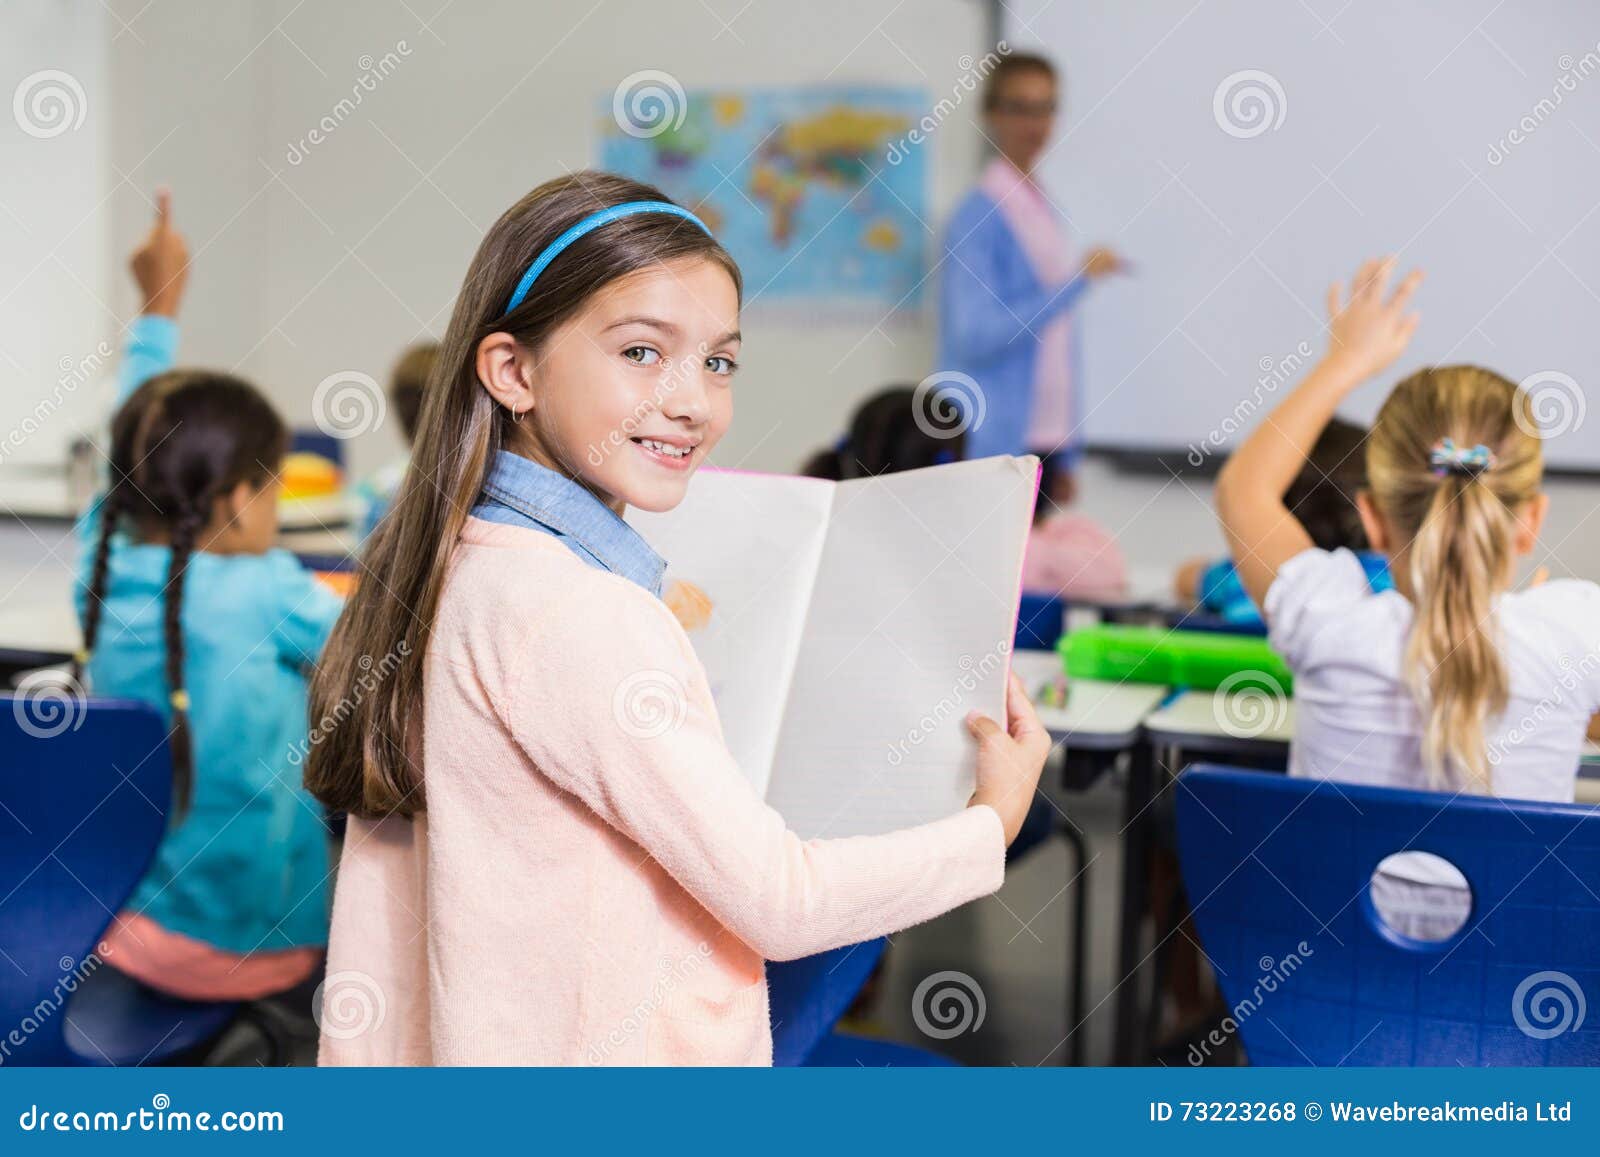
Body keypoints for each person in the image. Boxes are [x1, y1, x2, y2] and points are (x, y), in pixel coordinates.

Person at [305, 171, 1051, 1065]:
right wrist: (989, 823)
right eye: (641, 353)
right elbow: (783, 901)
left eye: (719, 361)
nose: (693, 400)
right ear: (513, 371)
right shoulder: (580, 613)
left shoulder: (452, 561)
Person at [1215, 256, 1600, 938]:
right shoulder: (1577, 629)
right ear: (1530, 521)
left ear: (1370, 516)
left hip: (1316, 1022)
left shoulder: (1327, 619)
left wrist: (1346, 360)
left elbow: (1243, 491)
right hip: (1518, 1029)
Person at [80, 190, 342, 999]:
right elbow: (393, 639)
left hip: (116, 930)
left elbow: (117, 465)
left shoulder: (100, 564)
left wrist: (158, 310)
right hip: (257, 948)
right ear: (234, 498)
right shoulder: (266, 589)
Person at [935, 52, 1126, 505]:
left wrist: (1067, 449)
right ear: (991, 113)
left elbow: (1058, 345)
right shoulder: (978, 216)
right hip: (989, 441)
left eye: (1046, 107)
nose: (1035, 123)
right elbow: (975, 335)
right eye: (1020, 107)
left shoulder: (1041, 206)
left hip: (1044, 439)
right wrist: (1075, 284)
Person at [1175, 418, 1391, 627]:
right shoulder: (1389, 580)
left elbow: (1185, 579)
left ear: (1271, 508)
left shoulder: (1237, 579)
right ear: (1370, 510)